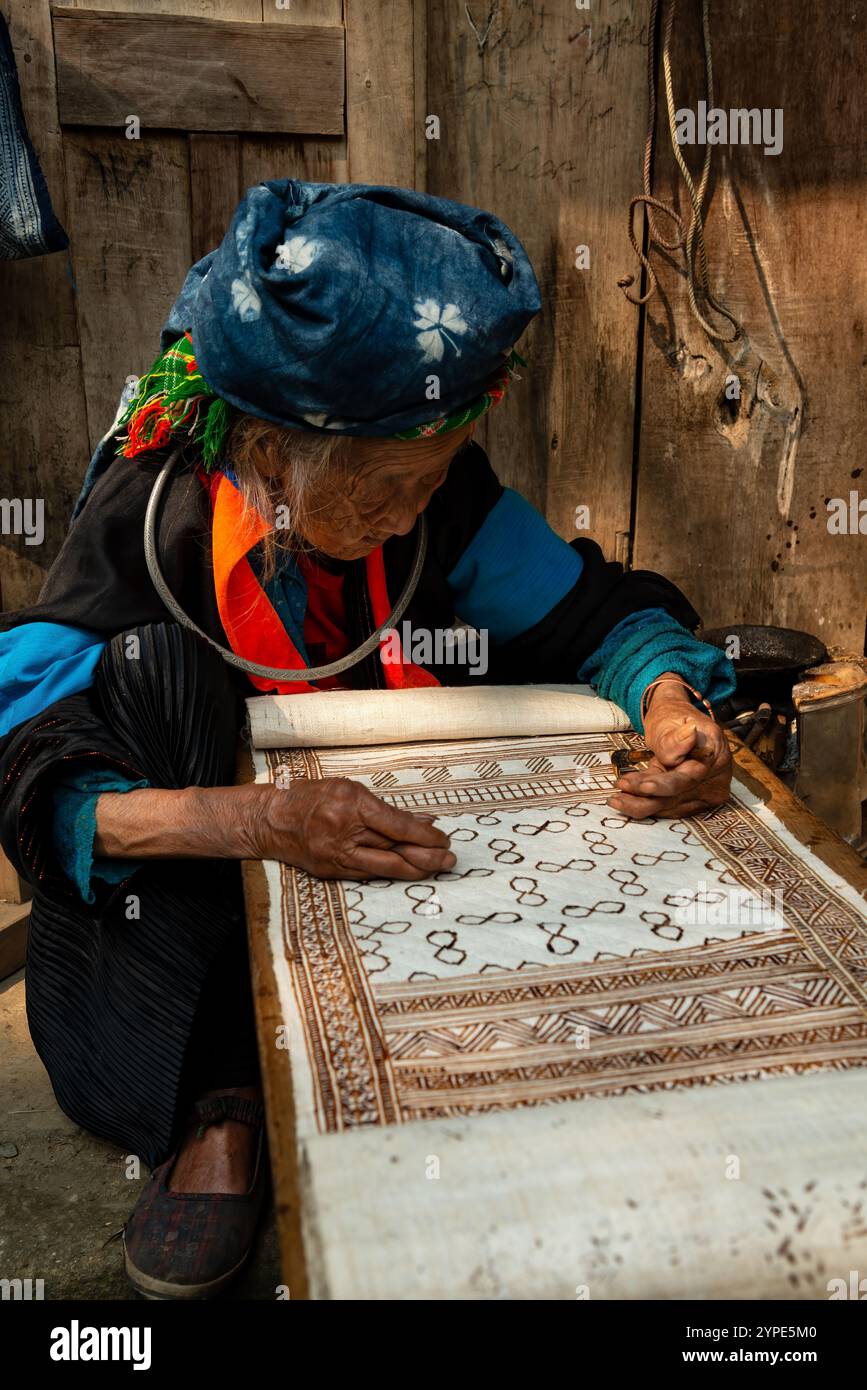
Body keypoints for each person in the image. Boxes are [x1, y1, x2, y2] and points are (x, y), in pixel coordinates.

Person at [0, 179, 735, 1299]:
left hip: (382, 864)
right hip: (172, 937)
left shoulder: (440, 497)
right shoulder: (150, 519)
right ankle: (222, 1104)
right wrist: (262, 818)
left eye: (429, 481)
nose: (410, 512)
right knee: (158, 668)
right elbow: (27, 761)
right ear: (271, 452)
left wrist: (673, 705)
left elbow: (590, 613)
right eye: (386, 487)